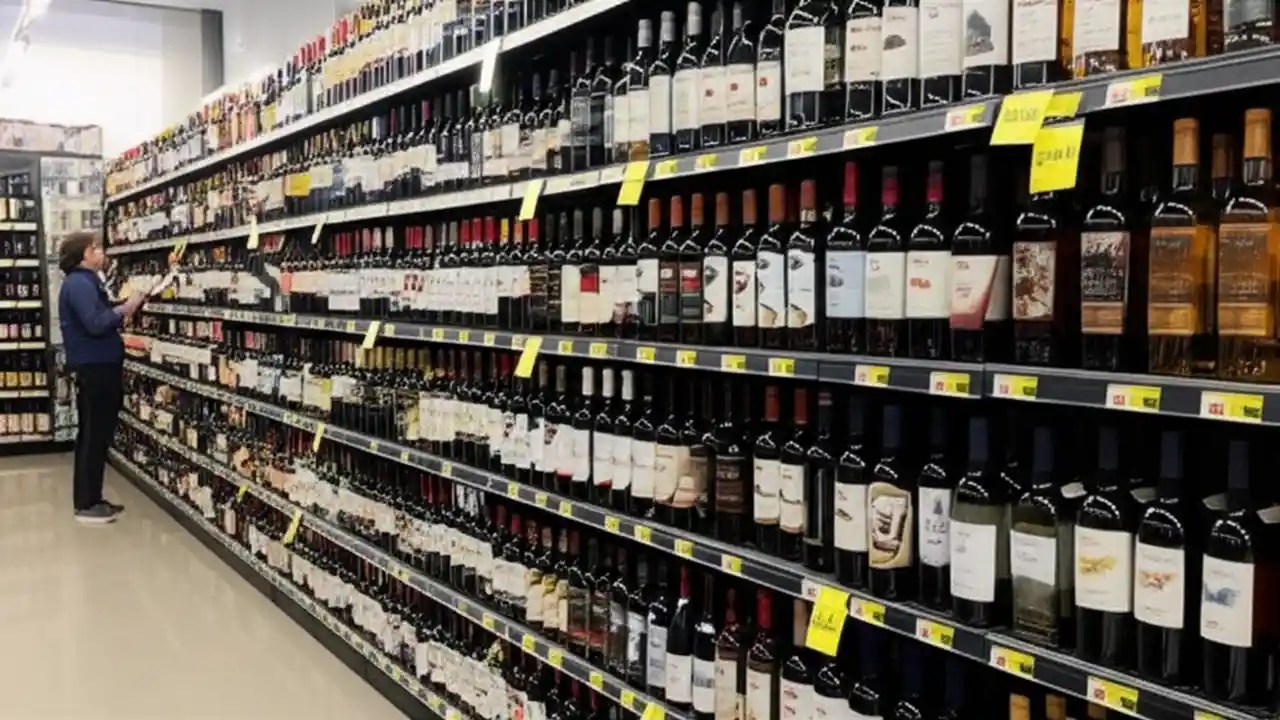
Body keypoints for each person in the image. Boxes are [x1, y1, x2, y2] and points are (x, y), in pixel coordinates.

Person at [58, 231, 144, 524]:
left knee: (95, 435)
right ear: (84, 254)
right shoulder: (79, 284)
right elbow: (95, 323)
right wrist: (126, 308)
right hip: (95, 368)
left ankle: (92, 498)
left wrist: (119, 309)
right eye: (96, 248)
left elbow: (98, 314)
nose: (101, 253)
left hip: (98, 366)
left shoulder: (84, 282)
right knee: (93, 436)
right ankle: (86, 504)